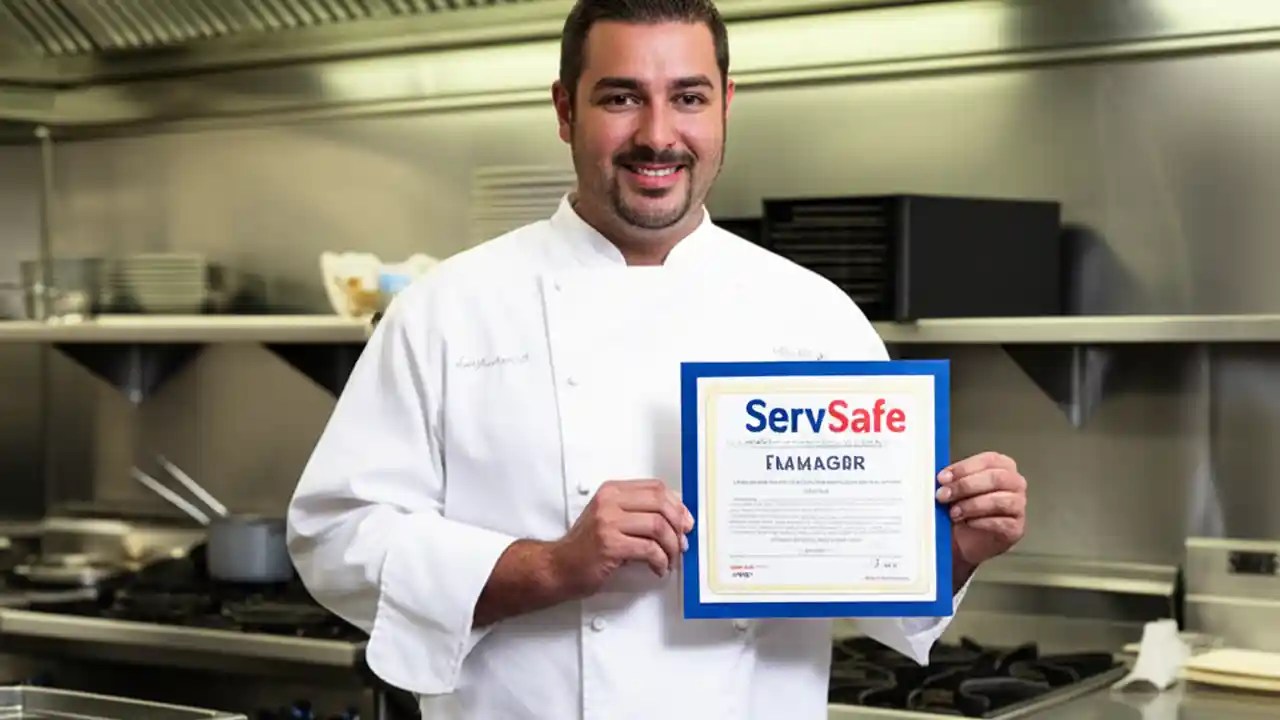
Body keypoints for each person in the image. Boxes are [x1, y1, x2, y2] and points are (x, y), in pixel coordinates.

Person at [285, 1, 1029, 718]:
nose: (658, 134)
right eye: (620, 98)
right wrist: (549, 566)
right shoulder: (447, 309)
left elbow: (880, 590)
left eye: (689, 97)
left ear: (726, 105)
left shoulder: (813, 316)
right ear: (564, 109)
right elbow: (335, 538)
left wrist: (952, 550)